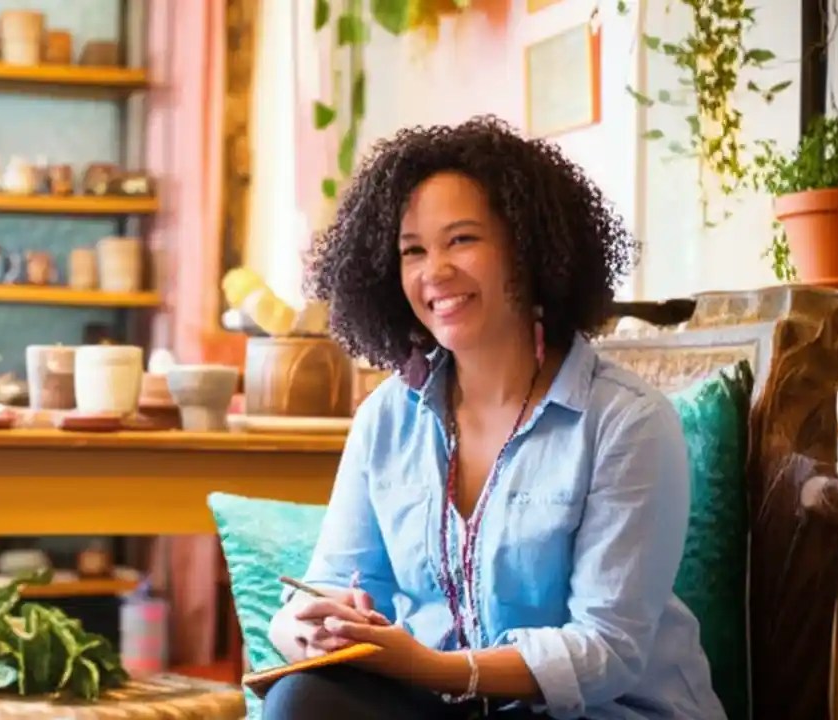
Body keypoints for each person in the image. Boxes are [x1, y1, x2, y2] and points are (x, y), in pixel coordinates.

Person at [264, 117, 726, 720]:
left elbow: (606, 650)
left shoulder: (627, 421)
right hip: (444, 705)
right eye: (413, 250)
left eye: (461, 240)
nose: (435, 272)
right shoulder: (386, 417)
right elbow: (333, 581)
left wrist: (422, 665)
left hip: (604, 712)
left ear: (528, 249)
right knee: (303, 699)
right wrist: (303, 629)